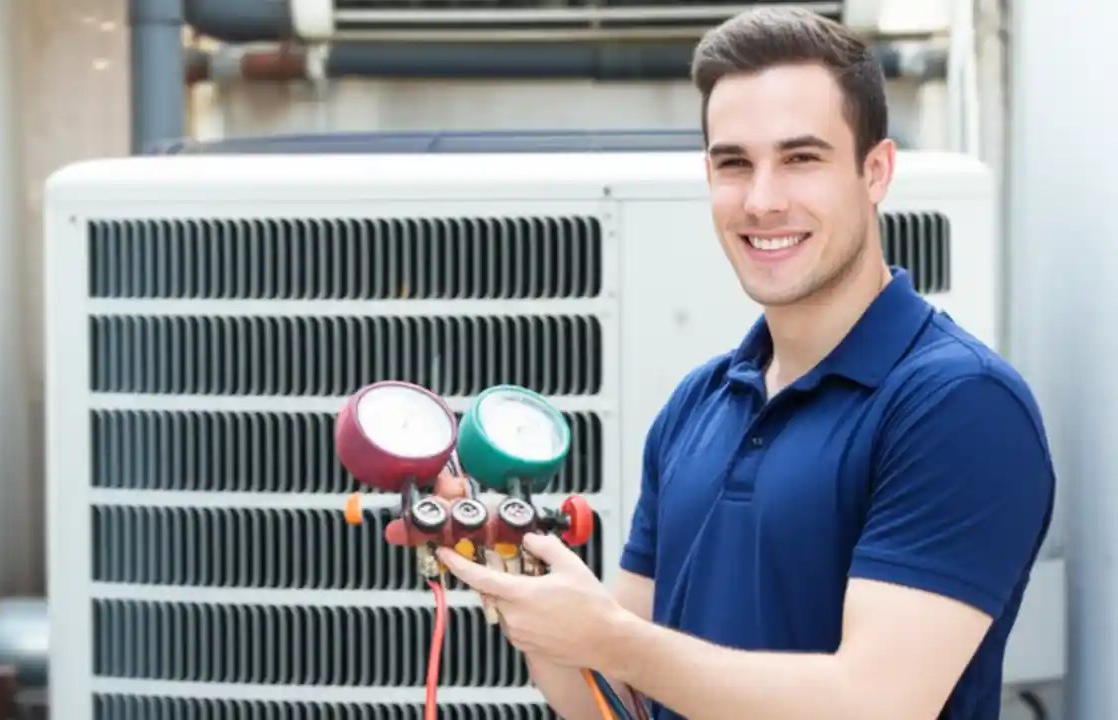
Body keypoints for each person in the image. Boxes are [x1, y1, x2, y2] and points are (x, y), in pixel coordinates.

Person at [434, 6, 1056, 720]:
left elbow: (876, 704)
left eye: (801, 159)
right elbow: (616, 701)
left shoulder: (960, 405)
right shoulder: (697, 405)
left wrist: (612, 638)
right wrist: (508, 568)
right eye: (735, 164)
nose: (762, 201)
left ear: (875, 170)